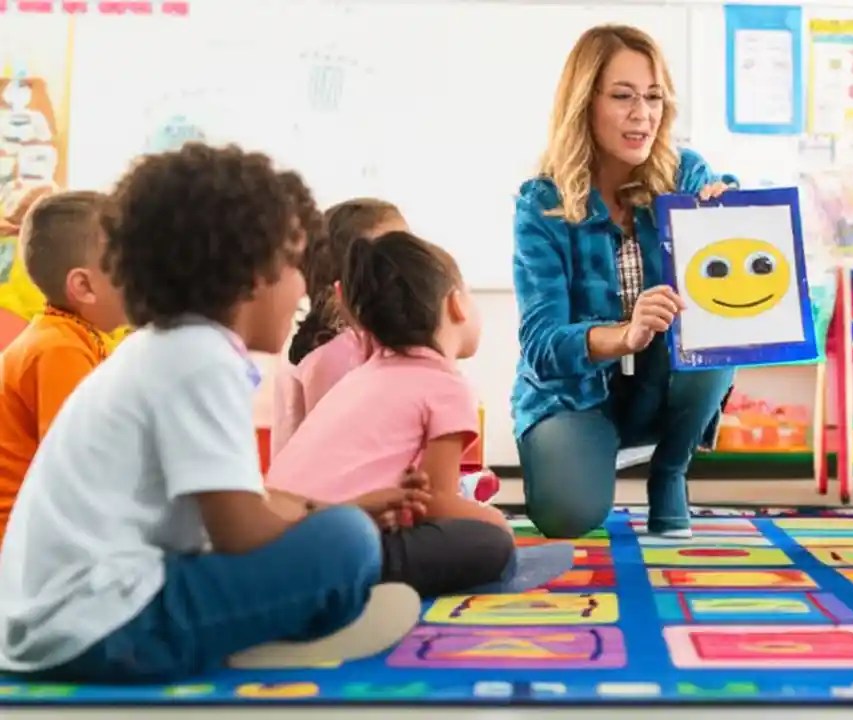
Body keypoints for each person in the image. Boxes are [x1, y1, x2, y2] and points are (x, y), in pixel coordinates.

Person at [0, 143, 425, 683]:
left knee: (341, 522)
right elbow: (240, 532)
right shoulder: (200, 359)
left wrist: (331, 505)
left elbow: (236, 498)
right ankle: (294, 629)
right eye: (296, 265)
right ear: (252, 274)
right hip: (103, 630)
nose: (303, 286)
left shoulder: (166, 347)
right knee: (348, 543)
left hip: (56, 623)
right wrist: (334, 520)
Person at [511, 24, 735, 539]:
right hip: (574, 395)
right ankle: (585, 450)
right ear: (584, 104)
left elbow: (732, 251)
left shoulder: (684, 176)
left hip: (659, 385)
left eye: (654, 97)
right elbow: (541, 344)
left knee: (720, 335)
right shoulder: (540, 205)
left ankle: (670, 470)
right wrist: (624, 335)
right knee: (566, 516)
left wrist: (729, 212)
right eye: (623, 97)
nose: (643, 115)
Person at [268, 230, 515, 596]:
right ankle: (357, 586)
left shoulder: (361, 376)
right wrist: (499, 524)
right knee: (490, 543)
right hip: (334, 547)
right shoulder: (447, 387)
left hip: (274, 538)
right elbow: (437, 503)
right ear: (456, 304)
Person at [0, 190, 126, 544]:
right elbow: (78, 472)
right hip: (22, 549)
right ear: (83, 286)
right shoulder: (59, 349)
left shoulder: (77, 336)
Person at [272, 198, 407, 456]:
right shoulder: (339, 354)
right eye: (394, 255)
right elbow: (337, 456)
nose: (414, 265)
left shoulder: (351, 345)